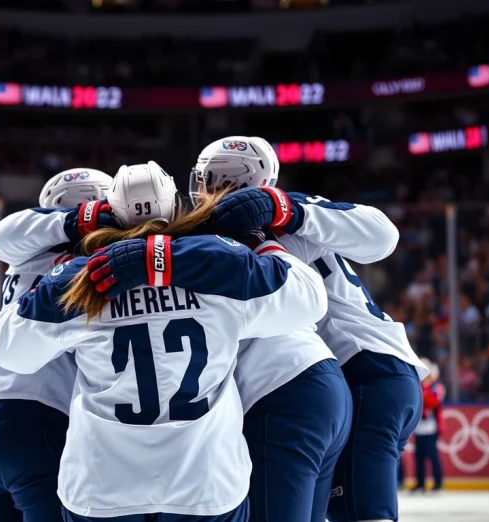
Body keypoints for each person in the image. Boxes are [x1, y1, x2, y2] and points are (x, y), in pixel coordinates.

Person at [0, 162, 329, 522]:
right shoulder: (217, 266)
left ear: (111, 213)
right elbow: (309, 299)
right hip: (207, 482)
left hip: (103, 487)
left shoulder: (85, 279)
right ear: (174, 206)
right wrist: (253, 243)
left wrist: (60, 274)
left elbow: (11, 352)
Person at [190, 136, 429, 522]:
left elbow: (384, 236)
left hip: (363, 372)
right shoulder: (240, 232)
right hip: (356, 378)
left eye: (213, 180)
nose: (204, 191)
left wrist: (287, 208)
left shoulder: (285, 222)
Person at [0, 168, 114, 522]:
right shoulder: (92, 267)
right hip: (35, 418)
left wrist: (75, 221)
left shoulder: (23, 253)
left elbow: (3, 235)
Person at [412, 358, 444, 493]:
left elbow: (433, 402)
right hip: (419, 428)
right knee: (418, 457)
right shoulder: (418, 387)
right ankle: (420, 483)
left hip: (431, 428)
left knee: (433, 456)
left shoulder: (437, 387)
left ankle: (438, 483)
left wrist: (423, 392)